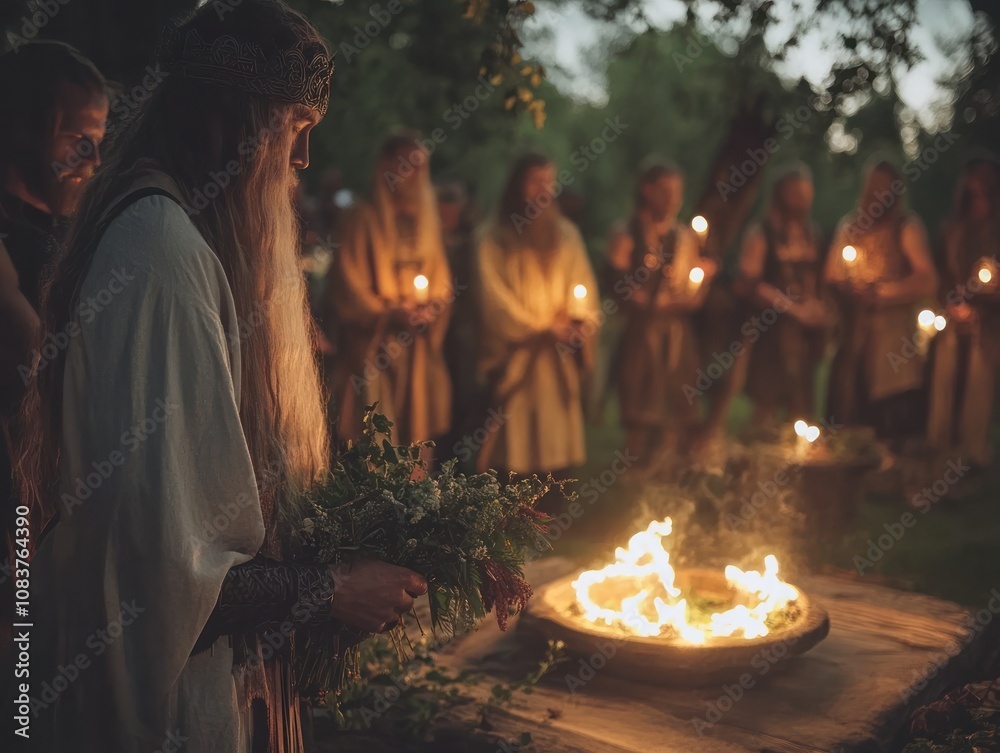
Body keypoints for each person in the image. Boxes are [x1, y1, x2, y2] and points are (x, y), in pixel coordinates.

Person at [14, 3, 425, 751]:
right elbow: (163, 566)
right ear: (237, 122)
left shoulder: (178, 234)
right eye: (295, 126)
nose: (304, 158)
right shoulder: (159, 254)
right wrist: (331, 589)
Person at [0, 41, 108, 747]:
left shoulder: (76, 233)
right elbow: (39, 359)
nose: (93, 160)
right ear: (24, 126)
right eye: (79, 138)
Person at [325, 132, 452, 449]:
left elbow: (441, 284)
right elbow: (348, 286)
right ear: (386, 167)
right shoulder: (361, 218)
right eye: (407, 164)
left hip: (416, 355)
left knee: (415, 444)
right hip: (373, 351)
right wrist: (388, 313)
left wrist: (430, 309)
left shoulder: (427, 224)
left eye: (421, 167)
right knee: (375, 441)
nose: (415, 175)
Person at [475, 153, 599, 475]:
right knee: (513, 448)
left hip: (556, 359)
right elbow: (494, 299)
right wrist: (539, 328)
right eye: (535, 182)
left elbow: (583, 286)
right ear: (517, 185)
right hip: (516, 358)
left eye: (549, 182)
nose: (544, 190)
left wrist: (578, 321)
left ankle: (552, 496)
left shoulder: (567, 234)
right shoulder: (494, 238)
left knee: (553, 449)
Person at [605, 163, 715, 463]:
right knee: (639, 397)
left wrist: (700, 284)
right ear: (647, 190)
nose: (672, 199)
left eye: (677, 192)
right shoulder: (627, 233)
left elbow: (690, 284)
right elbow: (617, 282)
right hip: (641, 331)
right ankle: (632, 465)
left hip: (676, 329)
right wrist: (646, 301)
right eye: (665, 191)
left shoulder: (684, 237)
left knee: (677, 396)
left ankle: (668, 465)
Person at [823, 160, 938, 441]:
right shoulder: (850, 227)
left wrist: (885, 292)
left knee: (891, 414)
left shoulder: (906, 227)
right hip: (854, 335)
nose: (876, 194)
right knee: (849, 406)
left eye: (883, 188)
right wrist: (851, 289)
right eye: (872, 186)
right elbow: (832, 275)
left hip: (893, 340)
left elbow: (927, 279)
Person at [737, 166, 830, 426]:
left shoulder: (812, 234)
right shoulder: (762, 232)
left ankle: (796, 449)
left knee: (801, 403)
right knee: (766, 402)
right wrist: (792, 309)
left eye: (807, 193)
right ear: (782, 194)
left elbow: (819, 279)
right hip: (770, 330)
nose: (803, 200)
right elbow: (751, 283)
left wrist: (816, 307)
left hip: (804, 335)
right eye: (796, 193)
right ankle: (759, 447)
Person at [927, 157, 1000, 466]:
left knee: (978, 383)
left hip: (989, 325)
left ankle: (973, 453)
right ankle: (939, 448)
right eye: (972, 193)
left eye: (984, 192)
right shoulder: (953, 230)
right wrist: (951, 303)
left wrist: (989, 298)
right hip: (954, 322)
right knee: (945, 380)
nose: (978, 200)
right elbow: (942, 275)